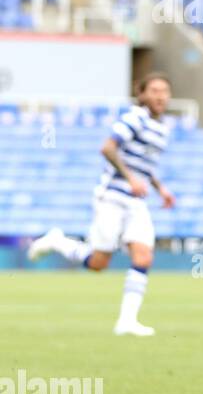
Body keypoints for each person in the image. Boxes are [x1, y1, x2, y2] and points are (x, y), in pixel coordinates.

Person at [27, 73, 176, 336]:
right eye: (154, 90)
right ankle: (57, 241)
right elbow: (107, 148)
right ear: (142, 94)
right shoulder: (135, 117)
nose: (160, 96)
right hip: (113, 197)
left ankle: (127, 321)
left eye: (164, 91)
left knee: (143, 256)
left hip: (136, 202)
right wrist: (130, 179)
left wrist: (160, 188)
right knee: (98, 263)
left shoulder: (162, 126)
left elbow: (143, 164)